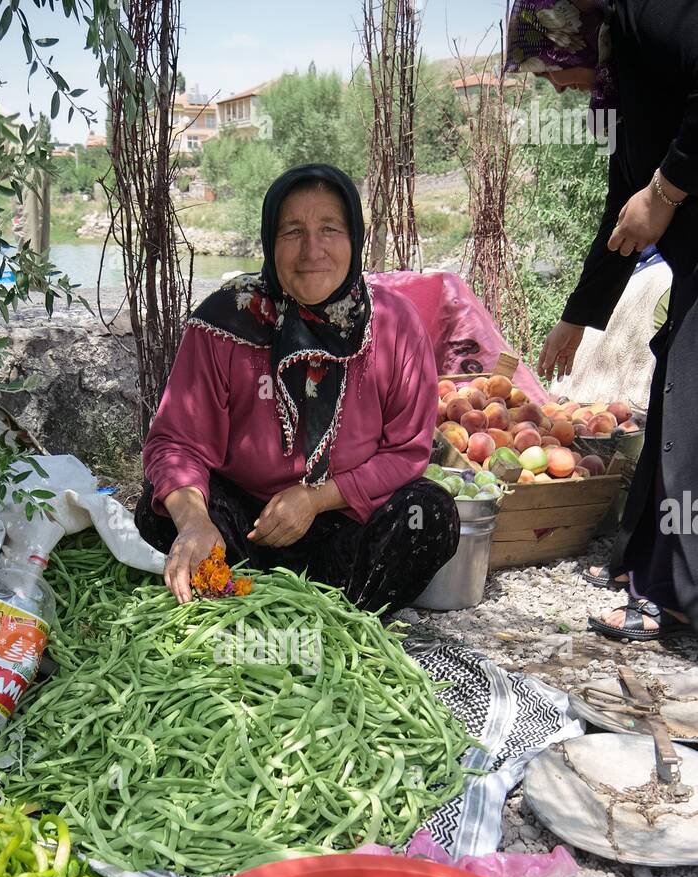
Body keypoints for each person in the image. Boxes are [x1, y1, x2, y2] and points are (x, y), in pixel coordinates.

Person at [134, 163, 459, 611]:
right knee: (160, 511)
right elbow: (175, 442)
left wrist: (314, 499)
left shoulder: (394, 325)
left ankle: (345, 621)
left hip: (343, 525)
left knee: (429, 516)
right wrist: (193, 520)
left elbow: (407, 452)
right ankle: (238, 605)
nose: (312, 250)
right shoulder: (226, 320)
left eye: (329, 228)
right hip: (248, 530)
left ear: (354, 239)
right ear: (270, 240)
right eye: (292, 232)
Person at [507, 0, 698, 642]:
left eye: (547, 69)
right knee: (677, 393)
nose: (555, 86)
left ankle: (674, 597)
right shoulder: (625, 89)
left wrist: (667, 190)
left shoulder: (651, 13)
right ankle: (645, 567)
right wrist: (577, 318)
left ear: (570, 33)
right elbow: (624, 207)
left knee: (688, 403)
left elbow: (650, 196)